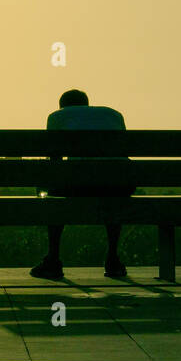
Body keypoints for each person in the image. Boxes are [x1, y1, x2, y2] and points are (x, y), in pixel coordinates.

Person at [30, 89, 132, 280]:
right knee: (115, 197)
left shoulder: (57, 117)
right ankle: (113, 259)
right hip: (118, 184)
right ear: (86, 104)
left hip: (81, 184)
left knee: (55, 198)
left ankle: (53, 260)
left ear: (62, 106)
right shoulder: (113, 114)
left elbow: (54, 159)